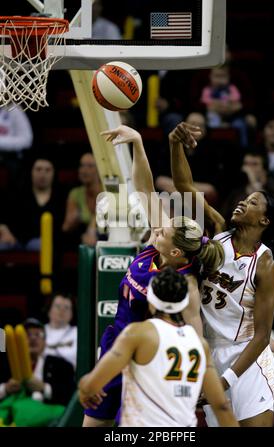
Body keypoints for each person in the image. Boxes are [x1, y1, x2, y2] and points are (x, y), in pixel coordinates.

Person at [82, 124, 225, 427]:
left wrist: (199, 380)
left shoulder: (186, 285)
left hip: (148, 362)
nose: (157, 227)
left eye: (163, 231)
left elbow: (196, 338)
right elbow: (145, 190)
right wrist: (137, 142)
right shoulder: (157, 245)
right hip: (114, 348)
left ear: (177, 253)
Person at [170, 121, 274, 427]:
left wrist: (226, 381)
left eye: (253, 203)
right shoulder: (219, 231)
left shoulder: (265, 264)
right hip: (211, 351)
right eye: (244, 199)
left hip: (247, 359)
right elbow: (184, 189)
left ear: (264, 220)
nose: (243, 202)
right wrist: (175, 145)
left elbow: (262, 335)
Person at [79, 267, 239, 427]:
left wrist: (85, 388)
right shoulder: (200, 344)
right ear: (184, 303)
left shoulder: (138, 334)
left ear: (150, 300)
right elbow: (222, 406)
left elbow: (90, 385)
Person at [0, 318, 75, 406]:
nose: (33, 338)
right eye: (27, 335)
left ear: (45, 342)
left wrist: (44, 388)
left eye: (38, 334)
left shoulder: (61, 366)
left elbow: (72, 395)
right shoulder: (5, 364)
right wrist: (5, 389)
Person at [0, 155, 65, 251]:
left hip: (44, 242)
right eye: (38, 169)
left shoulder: (62, 196)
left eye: (47, 170)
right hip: (14, 240)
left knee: (40, 244)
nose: (42, 174)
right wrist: (4, 229)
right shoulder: (17, 193)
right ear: (31, 172)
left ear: (54, 173)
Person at [200, 65, 249, 147]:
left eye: (223, 76)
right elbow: (204, 99)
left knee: (240, 124)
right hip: (215, 114)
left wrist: (230, 100)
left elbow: (237, 97)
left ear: (228, 77)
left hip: (232, 116)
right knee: (212, 119)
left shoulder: (231, 88)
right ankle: (212, 144)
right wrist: (214, 102)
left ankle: (244, 146)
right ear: (210, 77)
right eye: (217, 76)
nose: (219, 80)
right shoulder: (208, 89)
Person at [62, 152, 104, 248]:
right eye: (82, 166)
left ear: (98, 169)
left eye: (90, 166)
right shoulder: (75, 193)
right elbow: (66, 227)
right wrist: (74, 219)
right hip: (83, 239)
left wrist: (91, 229)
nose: (84, 170)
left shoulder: (107, 191)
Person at [44, 293, 77, 371]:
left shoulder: (78, 333)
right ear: (49, 310)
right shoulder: (39, 331)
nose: (62, 311)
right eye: (58, 306)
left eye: (66, 308)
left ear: (72, 313)